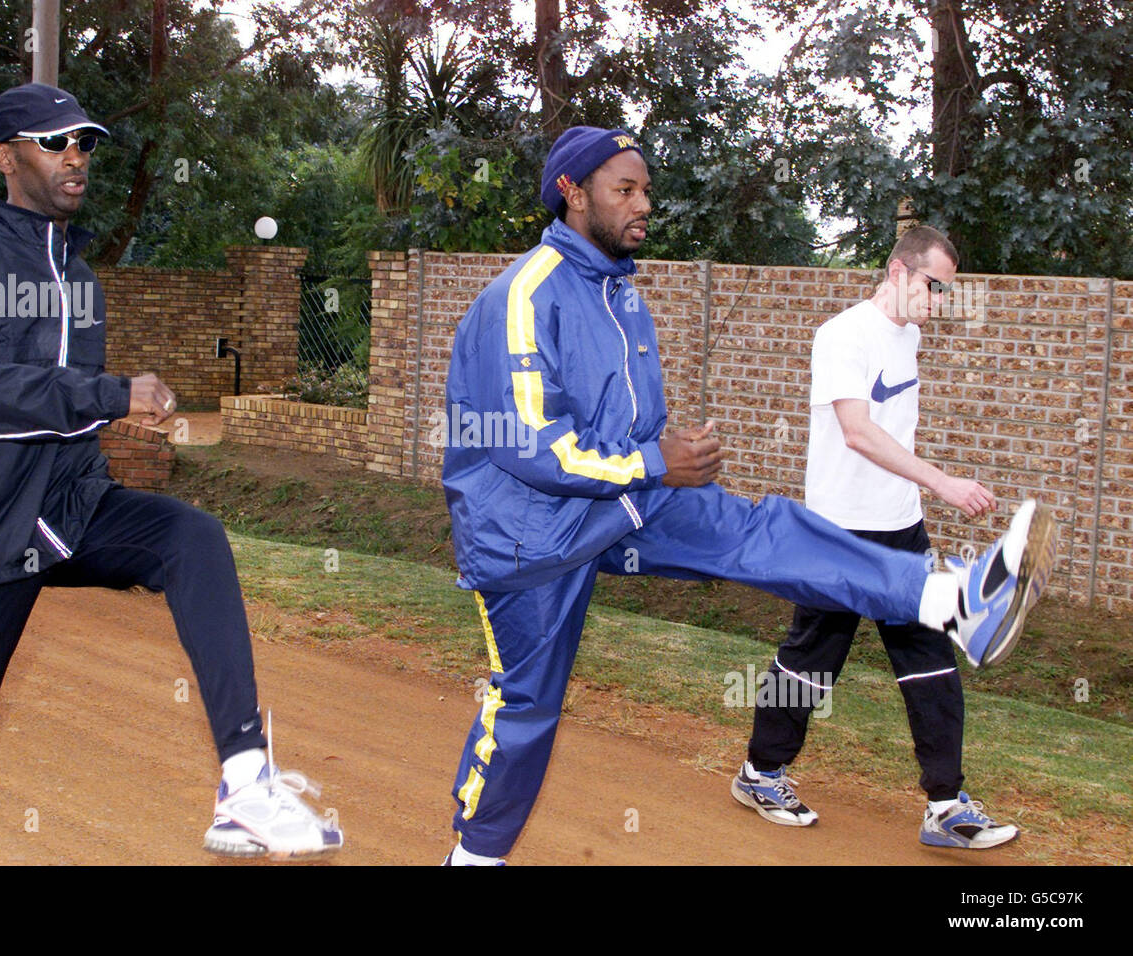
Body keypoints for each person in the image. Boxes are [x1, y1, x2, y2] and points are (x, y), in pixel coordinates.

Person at [439, 127, 1055, 866]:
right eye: (624, 190)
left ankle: (949, 601)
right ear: (572, 193)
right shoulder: (522, 296)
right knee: (529, 706)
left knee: (762, 528)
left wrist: (665, 459)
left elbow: (629, 426)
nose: (643, 206)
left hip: (630, 501)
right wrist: (654, 459)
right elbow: (532, 445)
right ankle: (474, 858)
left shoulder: (621, 297)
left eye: (645, 191)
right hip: (529, 535)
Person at [0, 82, 341, 864]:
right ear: (5, 157)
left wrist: (99, 425)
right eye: (54, 141)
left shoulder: (82, 282)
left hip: (67, 508)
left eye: (85, 143)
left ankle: (243, 778)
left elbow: (61, 415)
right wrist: (99, 396)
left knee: (188, 537)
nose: (76, 156)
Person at [731, 226, 1020, 849]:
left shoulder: (908, 336)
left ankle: (946, 806)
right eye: (933, 286)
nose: (939, 302)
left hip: (900, 529)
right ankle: (761, 771)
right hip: (838, 531)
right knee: (812, 659)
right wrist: (943, 481)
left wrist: (919, 496)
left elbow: (889, 434)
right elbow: (858, 432)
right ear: (897, 272)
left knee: (929, 659)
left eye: (946, 290)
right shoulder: (842, 336)